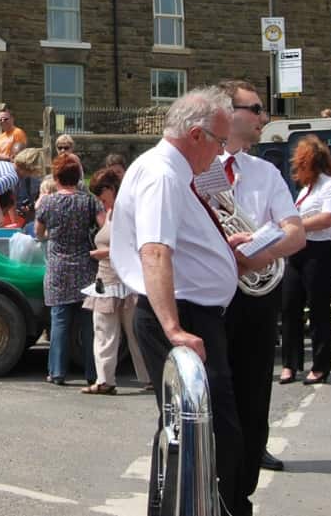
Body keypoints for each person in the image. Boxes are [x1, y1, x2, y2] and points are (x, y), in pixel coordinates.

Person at [113, 87, 290, 515]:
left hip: (192, 312)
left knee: (190, 433)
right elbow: (154, 251)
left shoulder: (172, 172)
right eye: (217, 142)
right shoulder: (162, 173)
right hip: (183, 314)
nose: (218, 154)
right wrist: (174, 328)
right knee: (215, 434)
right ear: (195, 135)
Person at [215, 80, 306, 492]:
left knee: (253, 395)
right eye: (256, 109)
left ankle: (242, 488)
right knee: (211, 397)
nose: (263, 118)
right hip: (207, 299)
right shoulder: (196, 167)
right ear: (229, 112)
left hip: (255, 298)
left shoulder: (266, 172)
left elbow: (295, 233)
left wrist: (258, 251)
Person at [279, 134, 331, 386]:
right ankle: (290, 364)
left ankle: (320, 366)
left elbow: (328, 218)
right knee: (289, 307)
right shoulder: (304, 191)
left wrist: (295, 226)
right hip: (298, 252)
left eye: (301, 163)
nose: (297, 169)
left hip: (320, 253)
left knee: (318, 309)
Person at [33, 153, 102, 387]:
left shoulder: (48, 203)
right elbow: (104, 225)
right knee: (88, 324)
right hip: (85, 265)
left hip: (58, 267)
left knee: (59, 321)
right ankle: (93, 373)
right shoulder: (89, 201)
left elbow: (38, 233)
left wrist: (52, 235)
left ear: (56, 177)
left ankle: (57, 372)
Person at [80, 165, 150, 394]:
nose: (99, 199)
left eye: (100, 193)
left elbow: (136, 246)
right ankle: (105, 380)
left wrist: (104, 253)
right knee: (104, 331)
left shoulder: (126, 210)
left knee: (134, 333)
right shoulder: (110, 211)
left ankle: (149, 377)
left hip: (125, 280)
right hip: (107, 279)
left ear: (111, 188)